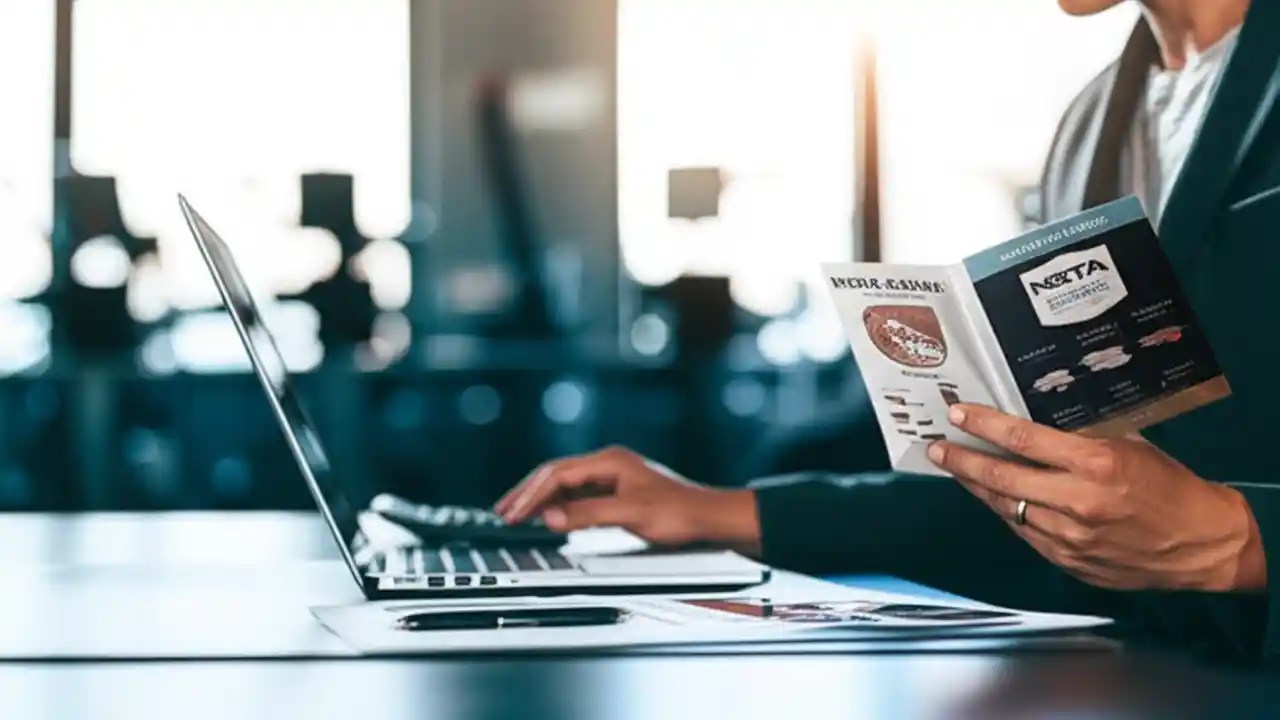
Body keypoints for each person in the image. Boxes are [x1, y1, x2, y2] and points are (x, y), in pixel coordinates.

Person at [497, 0, 1280, 662]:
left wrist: (1242, 543)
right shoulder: (1089, 126)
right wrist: (716, 510)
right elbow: (1035, 500)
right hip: (1137, 674)